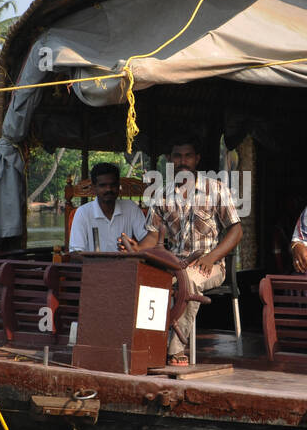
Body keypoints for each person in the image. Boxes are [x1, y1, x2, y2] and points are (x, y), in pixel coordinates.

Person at [122, 138, 242, 366]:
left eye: (188, 156)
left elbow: (236, 232)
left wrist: (212, 257)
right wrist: (135, 248)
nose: (182, 161)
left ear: (196, 159)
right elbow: (151, 237)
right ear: (170, 159)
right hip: (173, 265)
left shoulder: (215, 189)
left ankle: (174, 349)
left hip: (211, 266)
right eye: (177, 156)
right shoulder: (162, 195)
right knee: (145, 278)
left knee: (189, 280)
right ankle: (146, 343)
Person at [67, 162, 149, 253]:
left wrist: (136, 249)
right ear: (94, 188)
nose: (108, 189)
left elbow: (147, 239)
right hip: (94, 265)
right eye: (103, 185)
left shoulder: (130, 208)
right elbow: (75, 252)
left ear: (118, 186)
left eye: (113, 185)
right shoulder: (83, 213)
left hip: (125, 264)